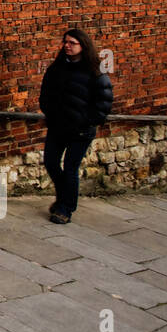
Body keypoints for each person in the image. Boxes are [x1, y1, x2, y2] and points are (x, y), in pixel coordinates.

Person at [38, 28, 113, 224]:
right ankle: (65, 197)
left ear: (83, 46)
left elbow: (104, 103)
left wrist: (86, 121)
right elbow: (45, 94)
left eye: (72, 43)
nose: (67, 46)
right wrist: (51, 113)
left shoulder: (96, 71)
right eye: (65, 42)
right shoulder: (57, 68)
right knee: (51, 163)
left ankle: (65, 208)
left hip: (80, 130)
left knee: (70, 167)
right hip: (57, 126)